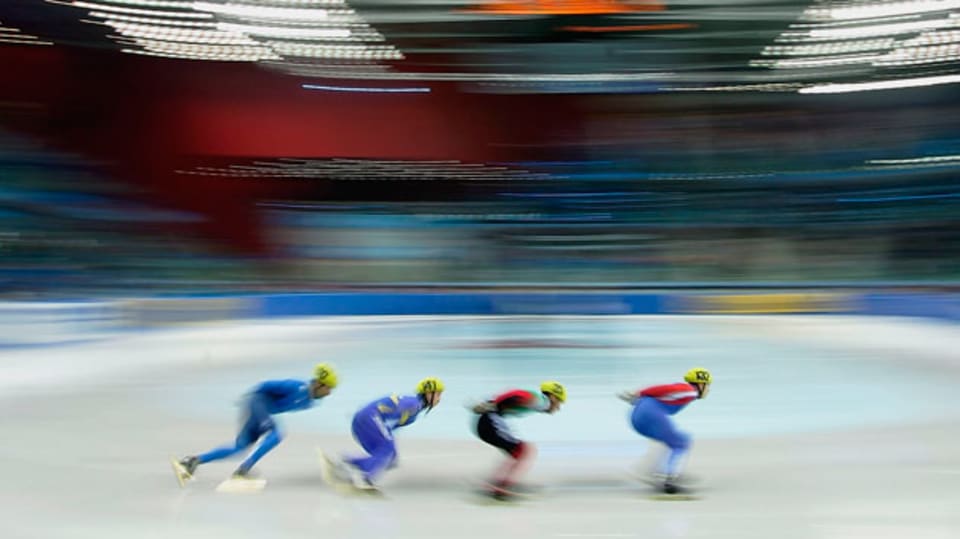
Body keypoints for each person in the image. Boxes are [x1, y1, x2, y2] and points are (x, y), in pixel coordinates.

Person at [172, 363, 338, 485]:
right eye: (328, 388)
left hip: (259, 412)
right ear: (318, 383)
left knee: (239, 447)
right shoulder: (297, 387)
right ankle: (244, 469)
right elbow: (265, 386)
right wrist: (249, 400)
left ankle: (191, 462)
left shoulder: (310, 402)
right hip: (257, 403)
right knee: (276, 434)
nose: (329, 393)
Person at [331, 377, 444, 490]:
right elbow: (397, 407)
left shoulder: (414, 412)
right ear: (429, 393)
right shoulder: (414, 404)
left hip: (365, 420)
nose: (439, 399)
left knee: (391, 458)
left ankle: (348, 463)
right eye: (438, 394)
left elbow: (390, 427)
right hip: (370, 418)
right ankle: (365, 478)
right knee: (387, 449)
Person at [618, 367, 711, 494]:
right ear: (700, 384)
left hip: (637, 417)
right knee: (681, 442)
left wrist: (636, 397)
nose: (708, 390)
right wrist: (638, 393)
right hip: (650, 413)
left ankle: (656, 473)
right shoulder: (690, 391)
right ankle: (669, 479)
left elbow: (663, 394)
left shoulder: (685, 390)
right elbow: (664, 389)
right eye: (707, 385)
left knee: (673, 442)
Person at [470, 381, 566, 499]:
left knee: (517, 452)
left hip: (485, 422)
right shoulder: (542, 401)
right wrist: (494, 405)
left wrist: (490, 404)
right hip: (489, 421)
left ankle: (499, 483)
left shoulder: (537, 400)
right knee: (523, 450)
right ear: (552, 397)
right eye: (559, 401)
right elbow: (517, 395)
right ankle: (502, 486)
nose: (558, 407)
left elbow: (515, 395)